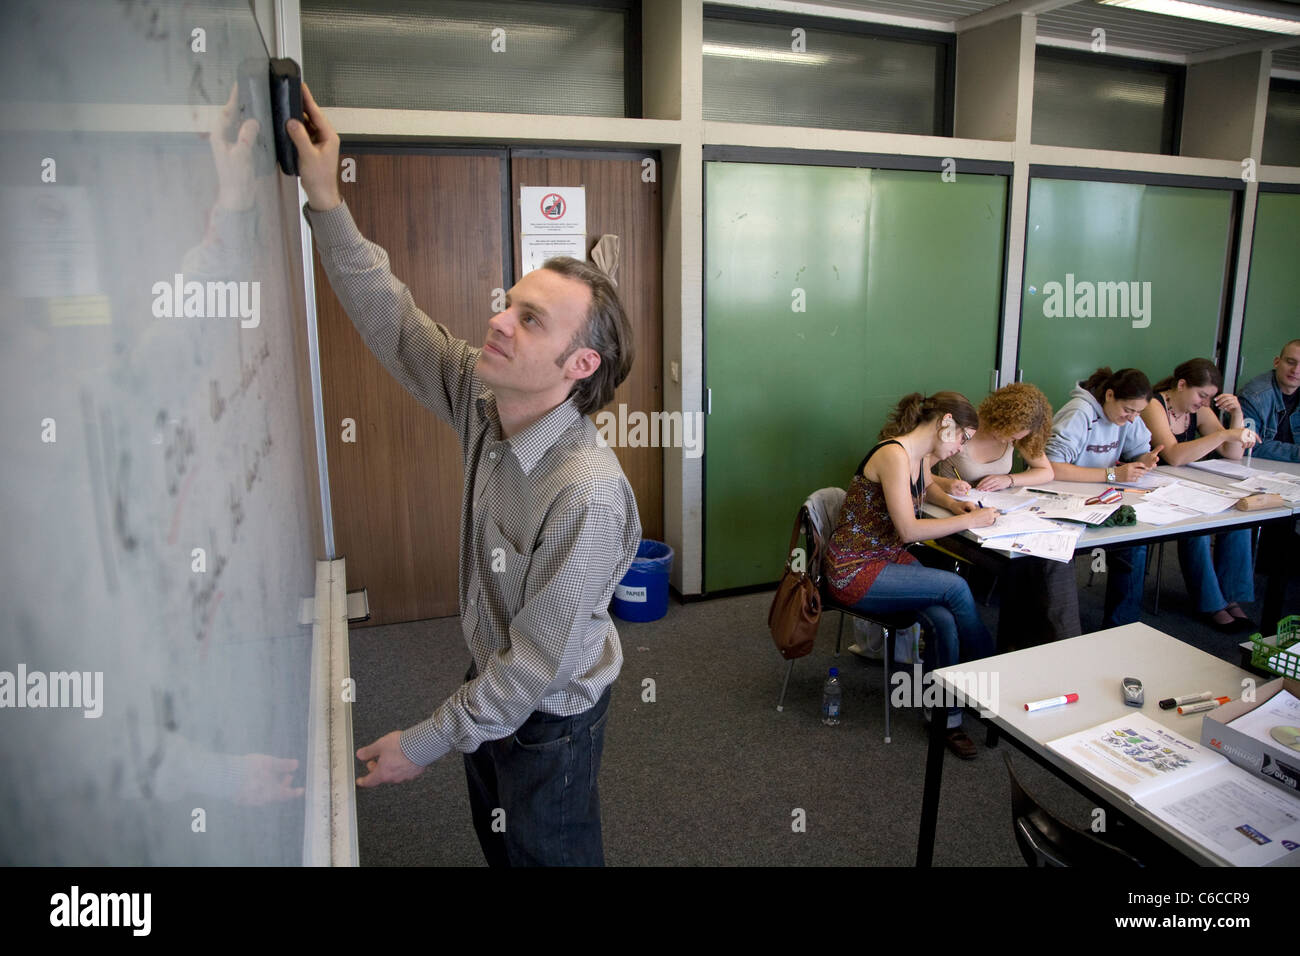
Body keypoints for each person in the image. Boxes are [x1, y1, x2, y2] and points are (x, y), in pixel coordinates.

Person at [287, 84, 641, 866]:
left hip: (548, 713)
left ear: (579, 365)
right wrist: (324, 198)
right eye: (508, 304)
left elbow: (532, 672)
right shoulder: (485, 400)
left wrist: (423, 741)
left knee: (548, 853)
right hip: (488, 678)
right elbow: (393, 316)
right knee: (500, 841)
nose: (497, 321)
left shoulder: (585, 493)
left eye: (528, 320)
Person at [824, 392, 998, 759]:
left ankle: (945, 716)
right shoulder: (893, 454)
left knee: (943, 617)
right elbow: (908, 530)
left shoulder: (918, 455)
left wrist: (954, 504)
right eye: (963, 437)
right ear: (945, 423)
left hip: (885, 558)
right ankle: (988, 678)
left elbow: (928, 486)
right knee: (956, 588)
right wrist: (970, 519)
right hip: (854, 568)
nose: (962, 447)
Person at [930, 383, 1080, 646]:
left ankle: (1055, 646)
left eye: (1016, 439)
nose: (1010, 442)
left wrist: (1009, 479)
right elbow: (917, 473)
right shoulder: (964, 426)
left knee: (1053, 558)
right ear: (1001, 416)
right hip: (953, 522)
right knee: (1024, 567)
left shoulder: (1018, 435)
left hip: (996, 519)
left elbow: (1046, 472)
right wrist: (947, 485)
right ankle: (1017, 648)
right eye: (1009, 435)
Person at [1141, 359, 1260, 632]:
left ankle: (1231, 598)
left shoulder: (1200, 410)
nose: (1204, 402)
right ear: (1181, 385)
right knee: (1200, 526)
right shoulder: (1154, 405)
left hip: (1187, 487)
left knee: (1236, 517)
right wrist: (1224, 435)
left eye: (1209, 397)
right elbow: (1174, 455)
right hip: (1151, 488)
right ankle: (1211, 603)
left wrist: (1237, 416)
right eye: (1201, 395)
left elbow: (1233, 453)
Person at [1045, 368, 1164, 628]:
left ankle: (1122, 625)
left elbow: (1139, 450)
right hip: (1063, 499)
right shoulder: (1080, 412)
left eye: (1138, 413)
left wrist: (1145, 461)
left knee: (1135, 543)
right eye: (1128, 410)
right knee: (1064, 553)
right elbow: (1052, 469)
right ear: (1109, 395)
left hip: (1104, 498)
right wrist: (1112, 474)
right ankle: (1063, 629)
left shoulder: (1125, 420)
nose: (1132, 419)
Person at [1239, 339, 1300, 462]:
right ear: (1277, 362)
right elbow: (1249, 446)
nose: (1296, 370)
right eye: (1290, 362)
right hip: (1255, 468)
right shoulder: (1253, 396)